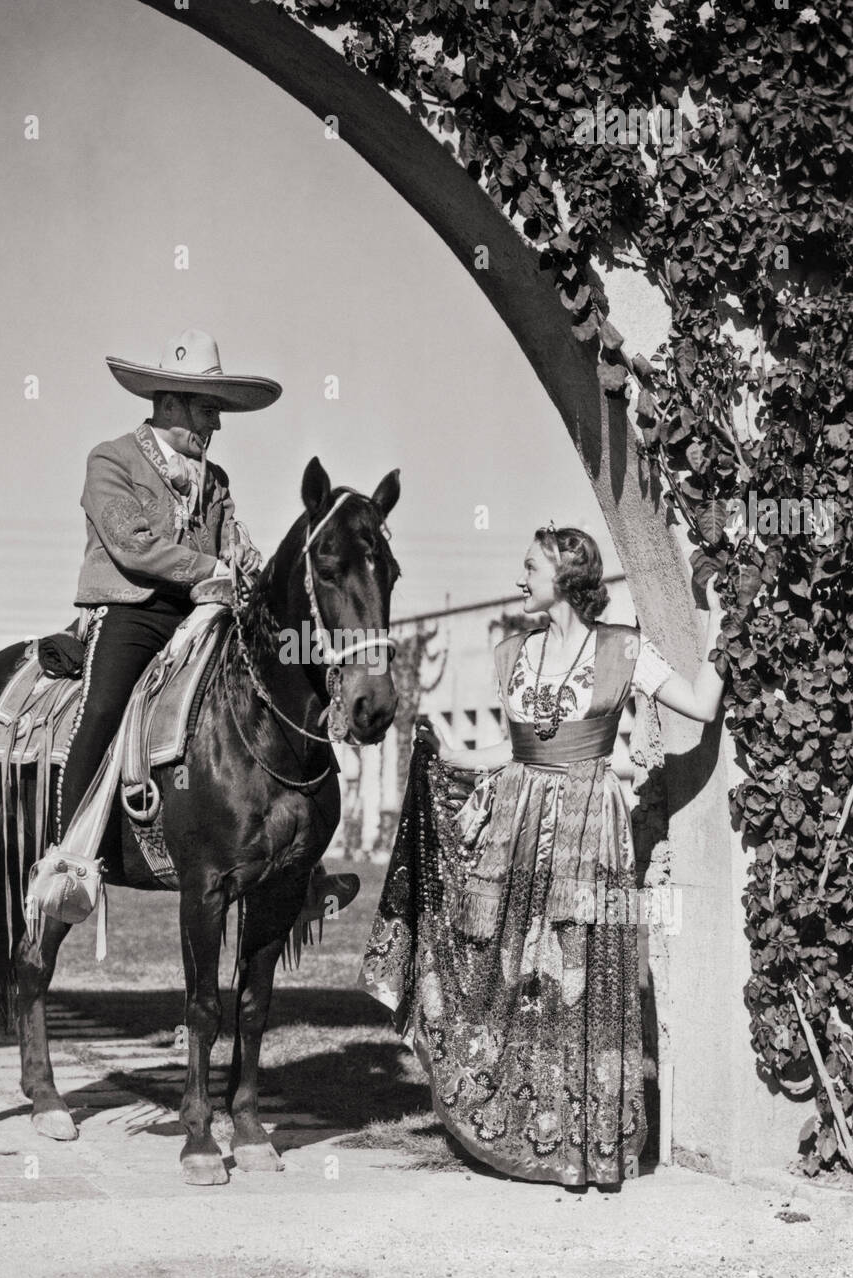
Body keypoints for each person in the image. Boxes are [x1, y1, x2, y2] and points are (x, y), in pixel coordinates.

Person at [359, 524, 724, 1187]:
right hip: (518, 822)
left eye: (531, 566)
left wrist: (724, 627)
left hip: (591, 824)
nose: (520, 576)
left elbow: (699, 705)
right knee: (508, 970)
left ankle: (583, 1143)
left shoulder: (623, 650)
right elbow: (512, 750)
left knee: (580, 974)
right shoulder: (512, 655)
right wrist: (448, 751)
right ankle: (523, 1125)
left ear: (568, 575)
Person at [37, 328, 357, 920]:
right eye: (208, 408)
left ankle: (300, 868)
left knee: (284, 683)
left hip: (206, 613)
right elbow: (133, 546)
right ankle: (71, 857)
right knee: (104, 706)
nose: (216, 424)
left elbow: (240, 545)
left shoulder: (217, 482)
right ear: (170, 401)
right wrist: (211, 566)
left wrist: (261, 582)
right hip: (133, 610)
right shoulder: (110, 460)